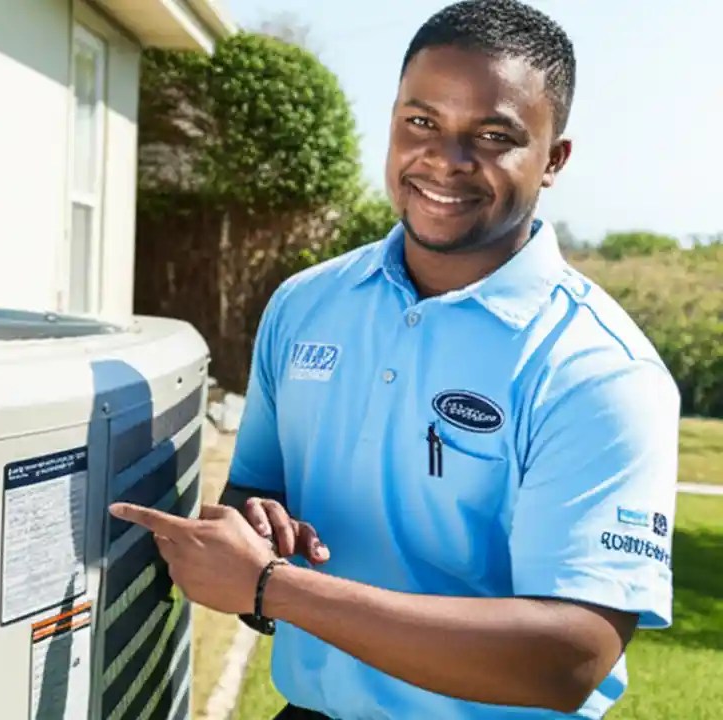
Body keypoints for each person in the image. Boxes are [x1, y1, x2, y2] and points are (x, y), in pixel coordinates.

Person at [109, 1, 681, 718]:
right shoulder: (305, 304)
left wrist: (272, 589)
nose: (446, 158)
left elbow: (570, 656)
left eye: (495, 135)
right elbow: (257, 487)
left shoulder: (597, 370)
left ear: (553, 159)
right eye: (422, 122)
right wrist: (261, 526)